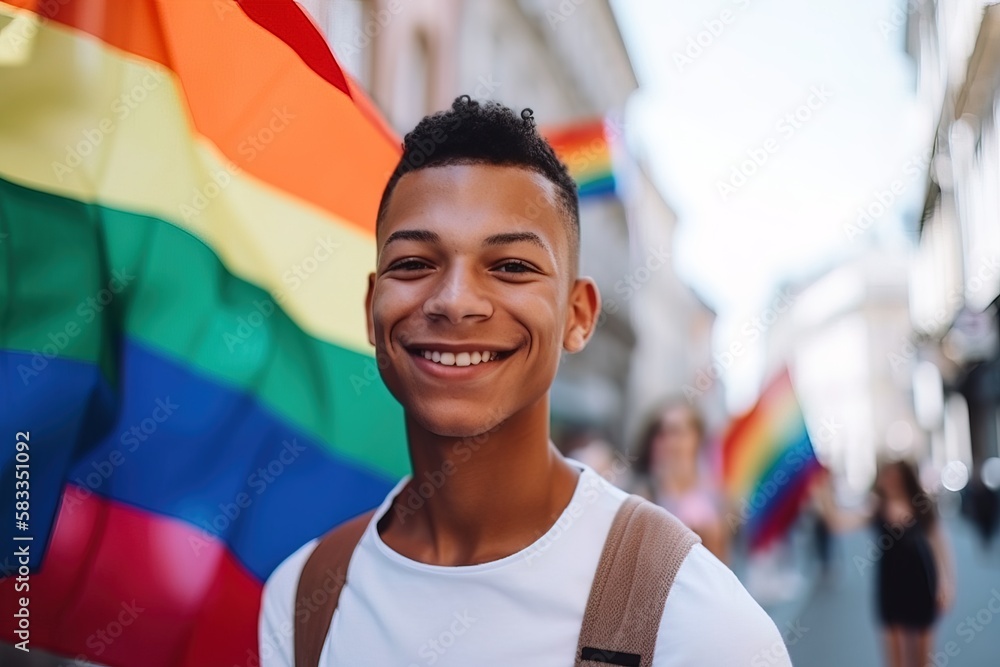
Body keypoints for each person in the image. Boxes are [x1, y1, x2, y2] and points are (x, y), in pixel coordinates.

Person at [258, 96, 790, 666]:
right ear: (371, 308)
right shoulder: (303, 600)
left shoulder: (699, 623)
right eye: (413, 263)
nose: (454, 301)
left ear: (578, 316)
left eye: (511, 266)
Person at [816, 459, 955, 667]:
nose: (890, 481)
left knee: (923, 658)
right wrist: (824, 491)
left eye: (895, 477)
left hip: (921, 583)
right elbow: (837, 523)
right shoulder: (876, 508)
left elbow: (940, 545)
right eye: (887, 476)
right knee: (894, 657)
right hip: (891, 585)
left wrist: (946, 583)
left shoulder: (921, 505)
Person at [635, 400, 729, 562]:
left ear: (696, 437)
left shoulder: (717, 494)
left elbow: (725, 561)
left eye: (676, 431)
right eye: (661, 433)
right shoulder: (645, 493)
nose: (668, 441)